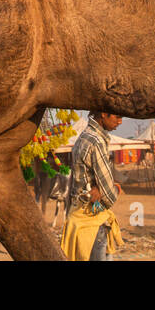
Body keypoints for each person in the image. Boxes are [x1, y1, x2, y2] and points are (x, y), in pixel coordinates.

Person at [62, 111, 124, 261]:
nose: (120, 122)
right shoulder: (96, 141)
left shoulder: (83, 137)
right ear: (103, 114)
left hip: (78, 215)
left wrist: (102, 188)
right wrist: (116, 188)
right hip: (91, 220)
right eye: (117, 117)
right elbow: (109, 194)